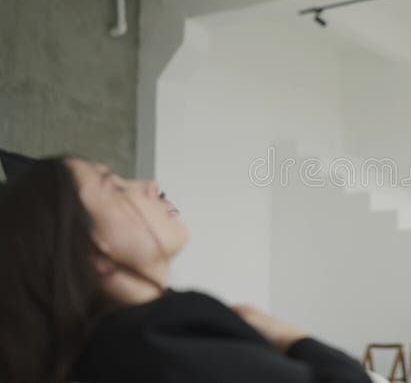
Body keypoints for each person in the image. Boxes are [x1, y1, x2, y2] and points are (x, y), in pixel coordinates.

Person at [0, 156, 373, 383]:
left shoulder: (130, 343)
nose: (150, 186)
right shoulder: (150, 345)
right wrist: (292, 338)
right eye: (114, 187)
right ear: (86, 248)